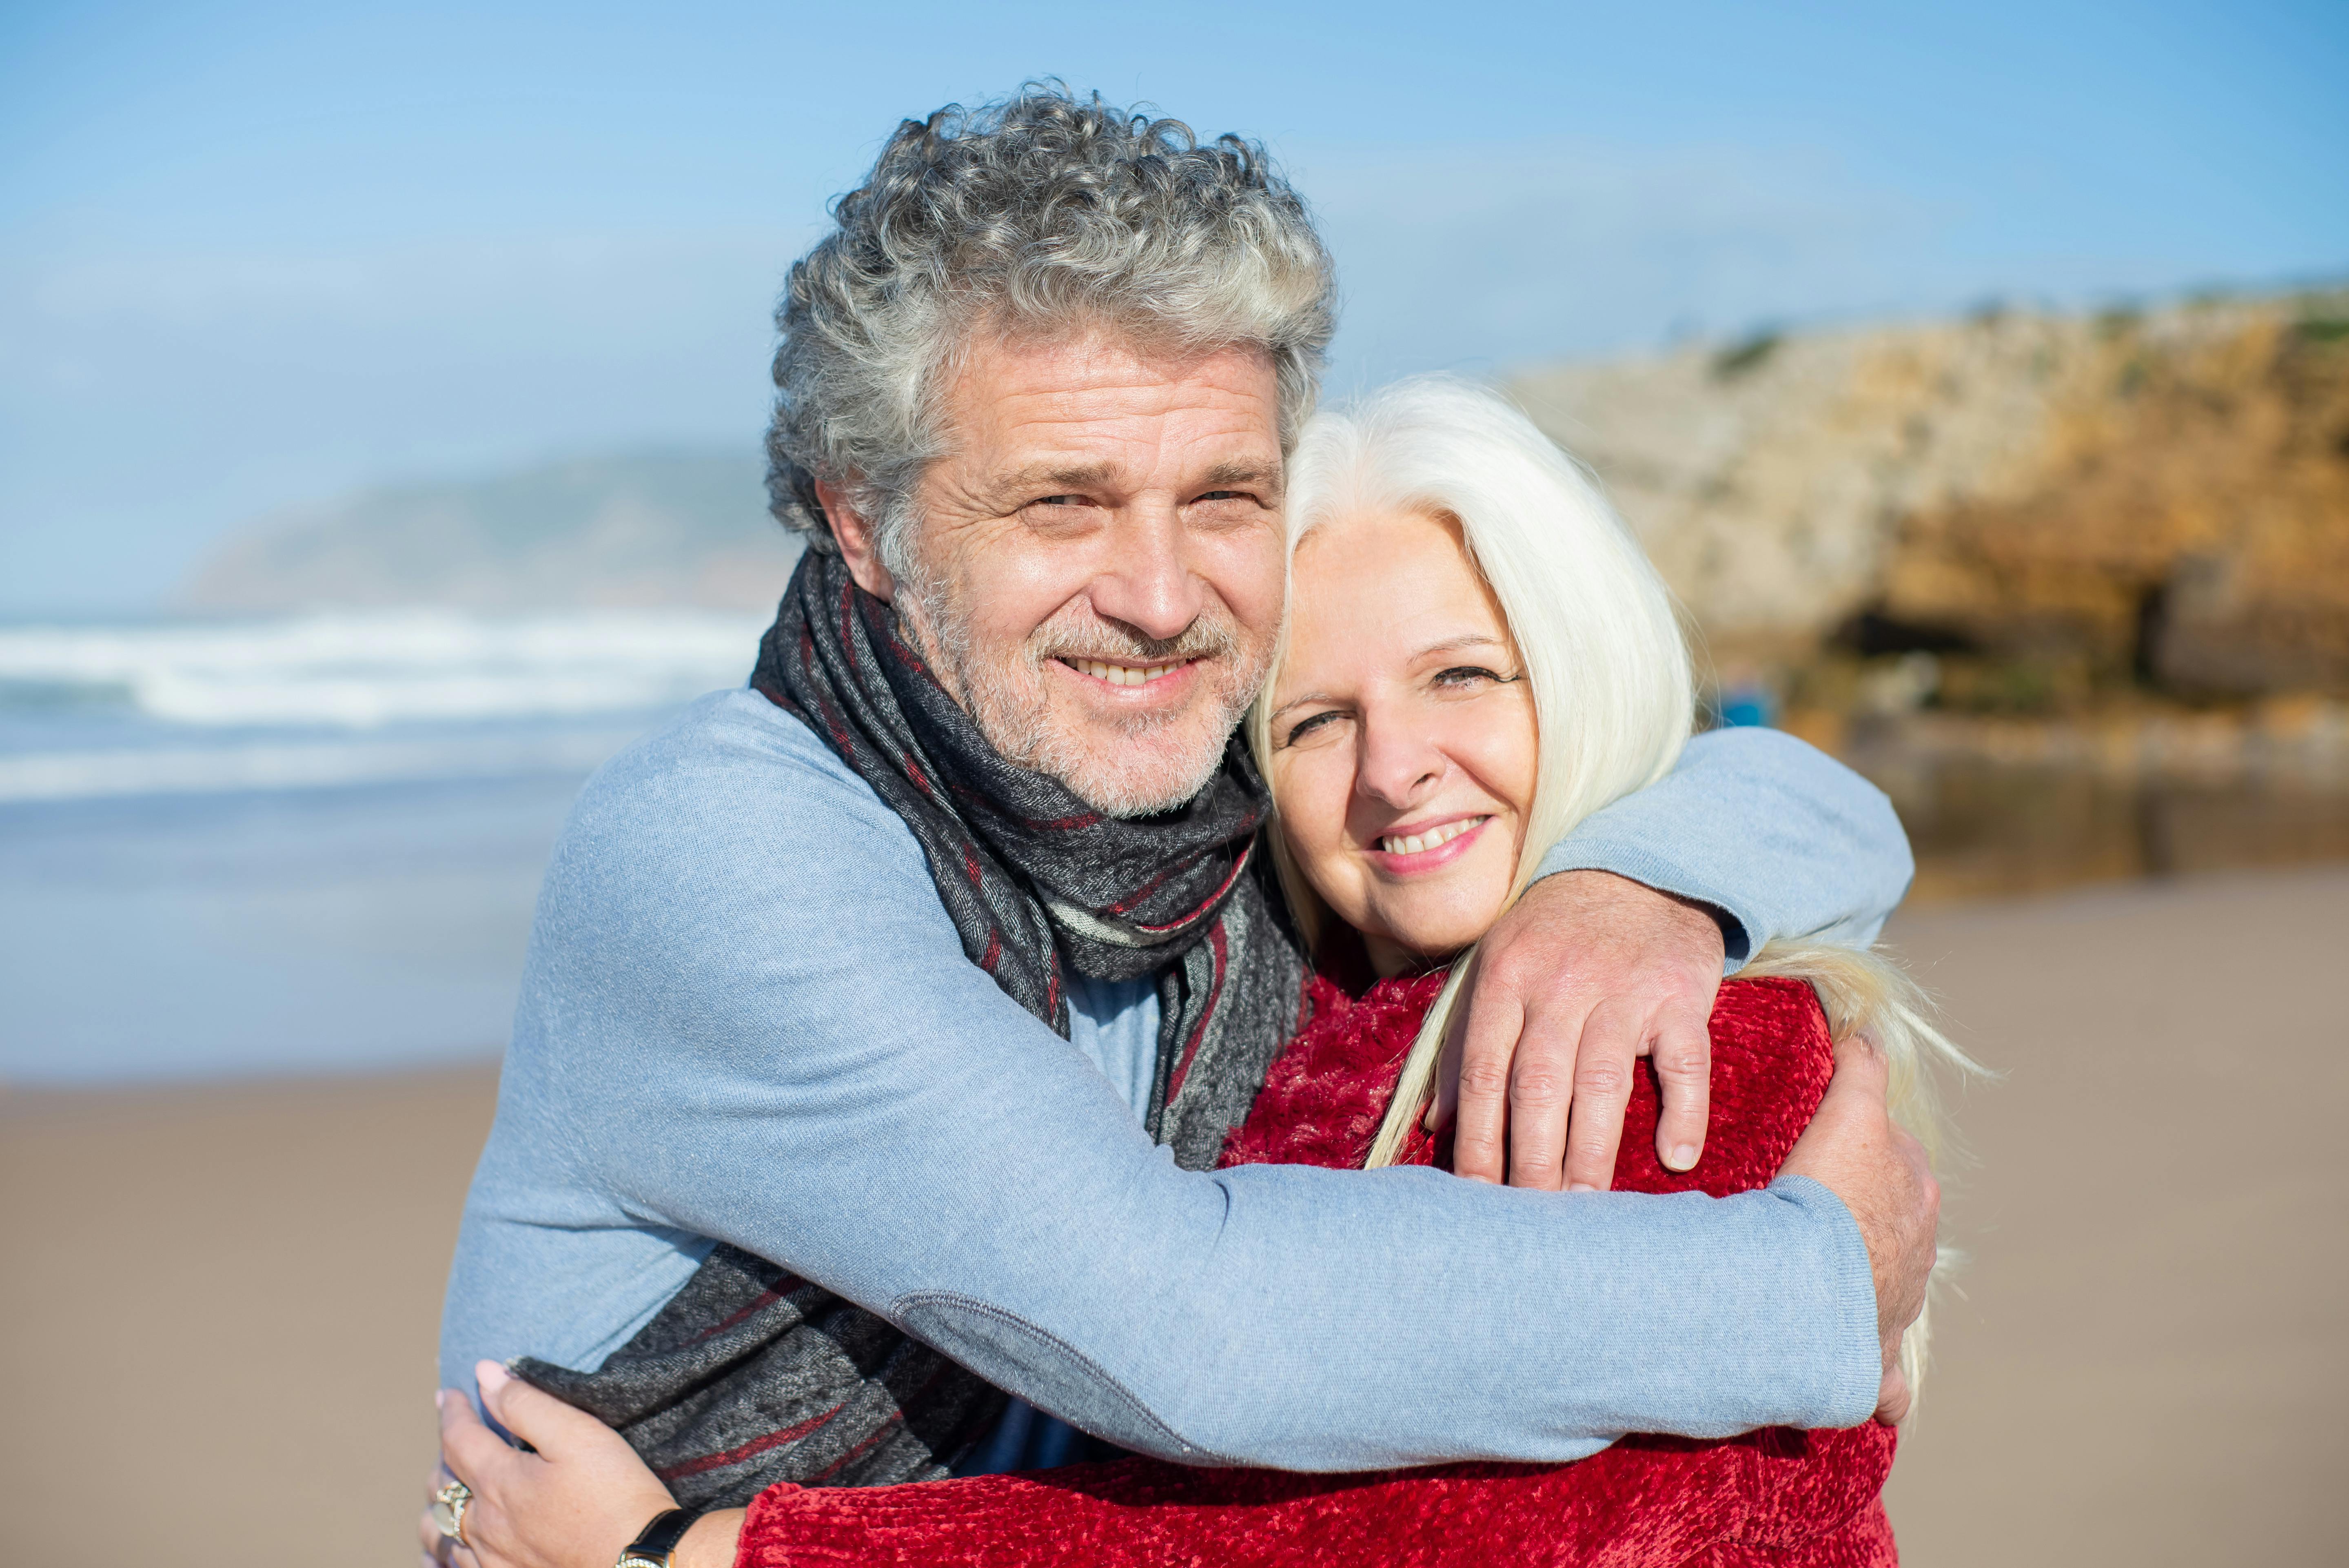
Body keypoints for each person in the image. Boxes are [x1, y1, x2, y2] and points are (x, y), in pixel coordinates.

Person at [428, 85, 1934, 1567]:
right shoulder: (724, 855)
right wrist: (1804, 1291)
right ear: (863, 526)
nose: (1159, 598)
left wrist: (1630, 884)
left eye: (1222, 496)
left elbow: (1766, 781)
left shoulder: (1205, 789)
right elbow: (1192, 1330)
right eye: (1063, 505)